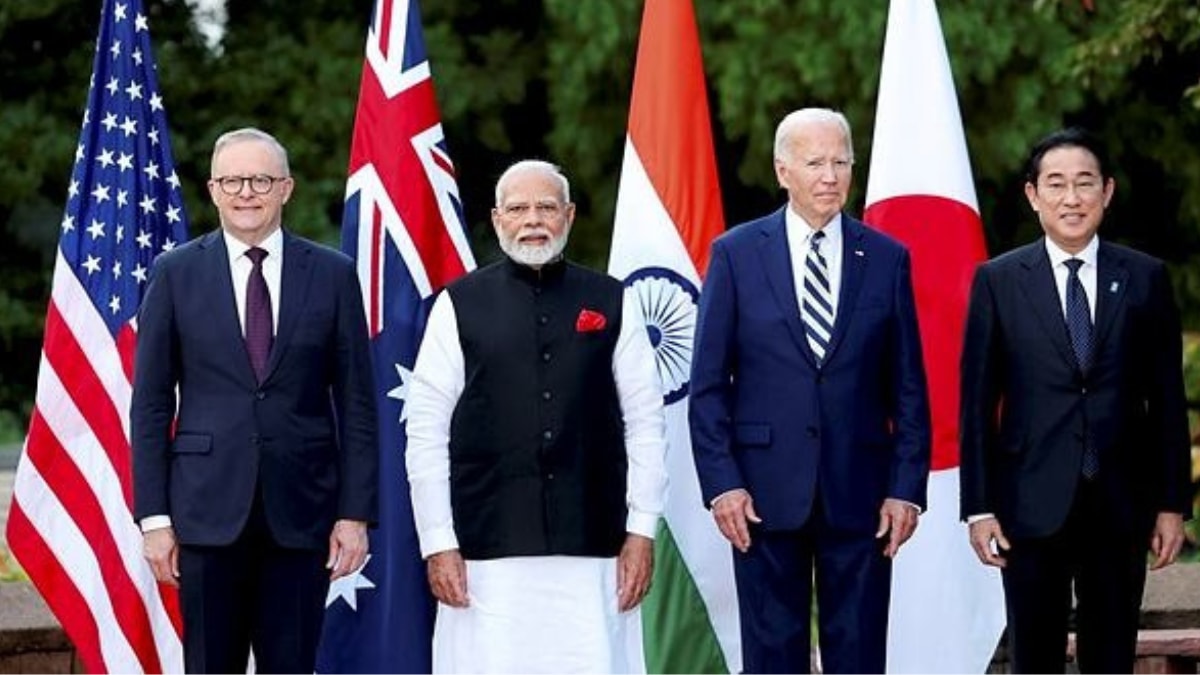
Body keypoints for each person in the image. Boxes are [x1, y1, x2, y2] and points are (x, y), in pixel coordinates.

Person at [689, 107, 932, 673]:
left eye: (841, 161)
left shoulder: (887, 258)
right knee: (772, 656)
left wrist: (906, 488)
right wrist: (723, 484)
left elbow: (909, 388)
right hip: (761, 497)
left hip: (864, 494)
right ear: (782, 171)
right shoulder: (736, 253)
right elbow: (708, 387)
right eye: (815, 162)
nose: (830, 176)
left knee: (861, 651)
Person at [131, 127, 379, 673]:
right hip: (203, 515)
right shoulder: (175, 273)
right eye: (233, 180)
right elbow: (149, 404)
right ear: (214, 189)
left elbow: (358, 402)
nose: (247, 192)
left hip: (302, 513)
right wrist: (153, 519)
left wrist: (355, 514)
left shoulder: (333, 275)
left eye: (261, 179)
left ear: (286, 188)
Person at [405, 159, 668, 674]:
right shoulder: (457, 305)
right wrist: (439, 541)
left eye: (546, 207)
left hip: (595, 546)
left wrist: (641, 532)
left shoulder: (613, 301)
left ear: (568, 215)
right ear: (497, 218)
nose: (533, 220)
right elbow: (426, 430)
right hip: (486, 551)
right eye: (519, 208)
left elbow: (645, 422)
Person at [959, 127, 1192, 673]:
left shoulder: (1143, 278)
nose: (1072, 198)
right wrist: (979, 505)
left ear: (1106, 192)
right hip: (1028, 505)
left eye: (1085, 183)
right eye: (1056, 184)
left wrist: (1172, 502)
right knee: (1033, 657)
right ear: (1032, 195)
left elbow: (1167, 402)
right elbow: (976, 402)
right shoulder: (998, 281)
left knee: (1110, 657)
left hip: (1119, 502)